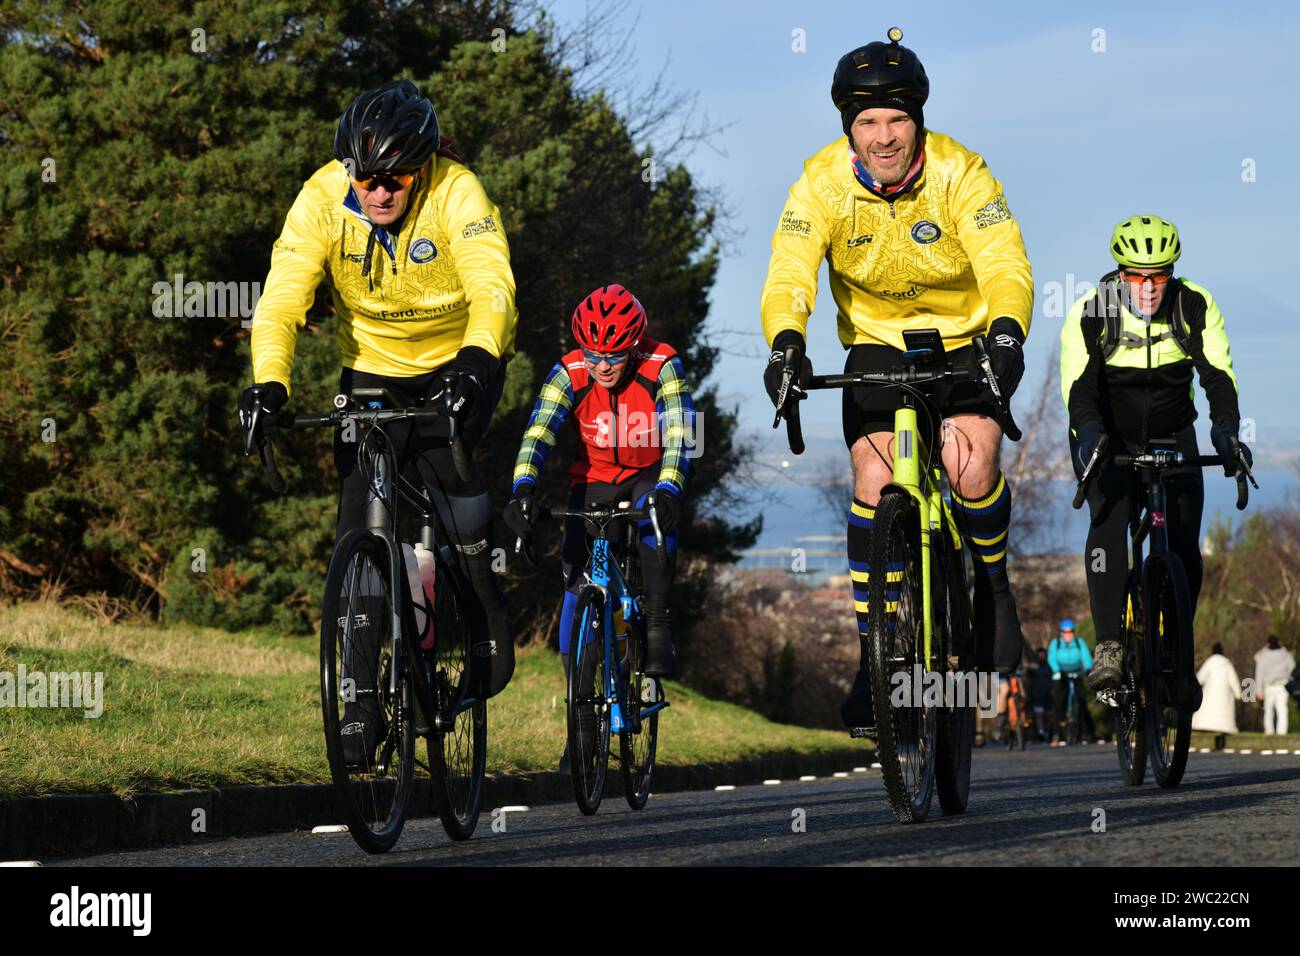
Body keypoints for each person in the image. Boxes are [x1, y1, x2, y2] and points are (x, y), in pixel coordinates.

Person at [759, 28, 1034, 728]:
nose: (883, 137)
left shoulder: (960, 171)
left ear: (918, 119)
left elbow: (1004, 261)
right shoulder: (819, 181)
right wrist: (786, 342)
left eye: (897, 120)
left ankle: (993, 585)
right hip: (878, 348)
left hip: (966, 341)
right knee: (875, 483)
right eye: (867, 122)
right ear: (849, 126)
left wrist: (1006, 333)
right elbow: (790, 271)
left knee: (970, 471)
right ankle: (874, 660)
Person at [241, 80, 519, 768]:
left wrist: (478, 361)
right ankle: (361, 699)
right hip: (368, 370)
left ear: (421, 166)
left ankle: (484, 609)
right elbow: (280, 300)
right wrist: (268, 384)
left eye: (393, 178)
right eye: (365, 178)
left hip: (460, 361)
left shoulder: (458, 193)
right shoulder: (321, 200)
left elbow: (493, 285)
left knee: (451, 493)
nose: (378, 191)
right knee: (361, 524)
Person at [1060, 215, 1250, 705]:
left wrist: (1227, 431)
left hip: (1173, 429)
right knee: (1107, 523)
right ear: (1120, 272)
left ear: (1172, 272)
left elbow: (1218, 376)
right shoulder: (1092, 310)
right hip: (1109, 434)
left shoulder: (1194, 304)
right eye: (1137, 276)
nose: (1147, 287)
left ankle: (1176, 654)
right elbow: (1078, 388)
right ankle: (1108, 646)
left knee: (1184, 539)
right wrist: (1090, 438)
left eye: (1159, 275)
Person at [503, 285, 695, 685]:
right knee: (576, 579)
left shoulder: (662, 362)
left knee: (655, 526)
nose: (602, 366)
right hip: (593, 477)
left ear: (634, 345)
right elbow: (538, 433)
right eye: (593, 356)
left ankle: (658, 619)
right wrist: (523, 487)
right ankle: (579, 700)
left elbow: (683, 431)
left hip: (648, 474)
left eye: (614, 356)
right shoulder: (569, 371)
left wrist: (671, 487)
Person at [1047, 619, 1092, 746]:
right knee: (1058, 704)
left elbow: (1086, 657)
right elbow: (1051, 657)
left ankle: (1086, 734)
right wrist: (1056, 671)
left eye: (1070, 632)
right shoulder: (1055, 643)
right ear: (1061, 633)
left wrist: (1088, 669)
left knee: (1082, 702)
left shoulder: (1079, 642)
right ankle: (1056, 735)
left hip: (1077, 673)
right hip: (1060, 674)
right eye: (1065, 632)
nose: (1068, 634)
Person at [1192, 642, 1241, 750]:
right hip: (1225, 710)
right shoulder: (1228, 665)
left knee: (1204, 724)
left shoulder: (1209, 662)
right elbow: (1234, 684)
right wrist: (1238, 695)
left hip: (1207, 708)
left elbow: (1199, 679)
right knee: (1223, 727)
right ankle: (1221, 742)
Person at [1255, 635, 1296, 735]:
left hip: (1269, 687)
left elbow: (1259, 673)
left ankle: (1269, 732)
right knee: (1282, 710)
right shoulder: (1286, 654)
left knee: (1268, 711)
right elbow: (1292, 670)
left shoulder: (1263, 656)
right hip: (1282, 686)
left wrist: (1258, 690)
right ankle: (1282, 733)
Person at [1028, 645, 1054, 742]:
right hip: (1037, 694)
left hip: (1048, 694)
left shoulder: (1049, 667)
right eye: (1039, 656)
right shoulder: (1033, 667)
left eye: (1043, 655)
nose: (1041, 657)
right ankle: (1041, 732)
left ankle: (1046, 731)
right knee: (1039, 714)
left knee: (1048, 715)